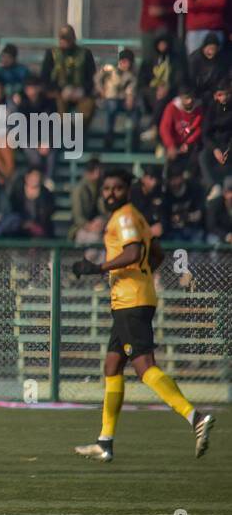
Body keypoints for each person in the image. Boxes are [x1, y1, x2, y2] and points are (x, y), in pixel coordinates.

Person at [71, 168, 214, 462]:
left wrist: (98, 268)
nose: (110, 192)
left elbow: (134, 252)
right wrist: (141, 278)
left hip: (130, 302)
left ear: (127, 190)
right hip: (134, 299)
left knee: (144, 368)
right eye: (107, 188)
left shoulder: (123, 217)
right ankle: (105, 441)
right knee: (112, 365)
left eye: (117, 188)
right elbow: (156, 254)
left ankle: (194, 416)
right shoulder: (136, 216)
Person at [69, 157, 106, 245]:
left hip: (99, 226)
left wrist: (101, 222)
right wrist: (90, 226)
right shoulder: (80, 189)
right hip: (80, 229)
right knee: (95, 239)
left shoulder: (101, 188)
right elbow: (78, 218)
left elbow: (104, 211)